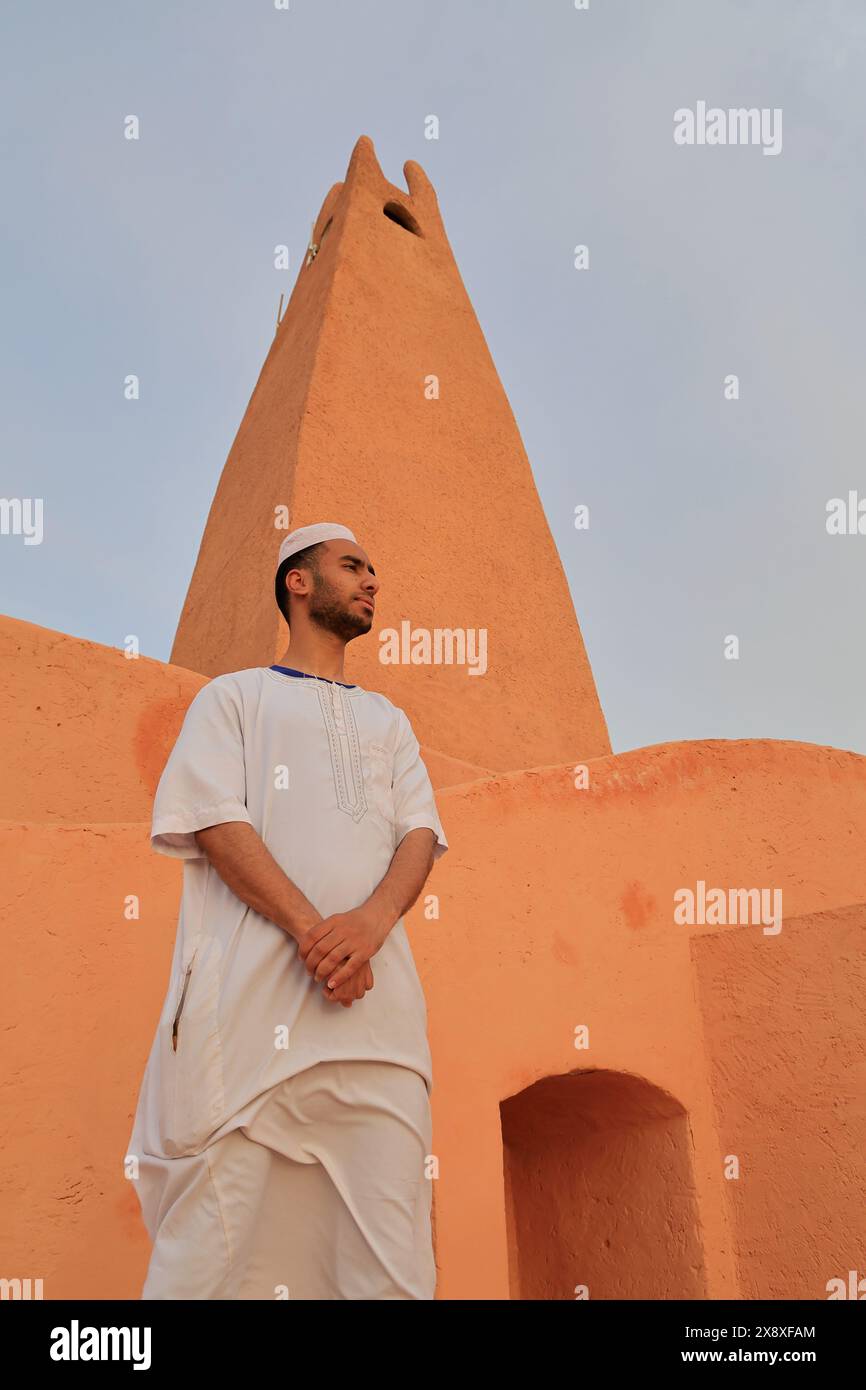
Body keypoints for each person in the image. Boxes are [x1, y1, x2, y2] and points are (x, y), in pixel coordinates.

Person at [126, 521, 449, 1299]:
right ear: (297, 582)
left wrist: (368, 927)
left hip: (381, 1032)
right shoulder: (233, 699)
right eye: (351, 566)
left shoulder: (390, 723)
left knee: (392, 1261)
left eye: (374, 568)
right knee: (214, 1251)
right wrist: (314, 932)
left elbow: (421, 832)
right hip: (248, 1025)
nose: (372, 580)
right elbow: (211, 817)